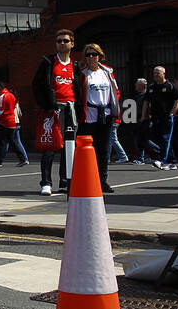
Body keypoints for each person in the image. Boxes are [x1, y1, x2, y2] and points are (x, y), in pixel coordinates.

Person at [32, 29, 78, 196]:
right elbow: (36, 85)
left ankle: (65, 181)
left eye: (65, 41)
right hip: (53, 110)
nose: (62, 43)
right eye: (59, 41)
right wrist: (47, 105)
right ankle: (46, 182)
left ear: (72, 43)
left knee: (69, 147)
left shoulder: (75, 66)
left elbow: (78, 89)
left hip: (69, 109)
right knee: (49, 147)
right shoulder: (48, 62)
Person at [75, 44, 120, 193]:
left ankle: (102, 180)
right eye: (88, 54)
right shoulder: (83, 74)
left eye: (94, 54)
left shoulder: (107, 72)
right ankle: (86, 179)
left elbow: (115, 92)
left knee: (105, 150)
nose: (91, 57)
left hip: (105, 115)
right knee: (86, 150)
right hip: (89, 116)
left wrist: (115, 111)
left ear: (100, 55)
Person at [142, 66, 178, 170]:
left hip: (167, 116)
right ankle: (172, 161)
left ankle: (162, 160)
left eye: (158, 73)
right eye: (154, 73)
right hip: (155, 116)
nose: (156, 75)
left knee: (165, 137)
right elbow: (146, 102)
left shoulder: (170, 86)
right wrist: (144, 116)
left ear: (164, 74)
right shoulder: (151, 87)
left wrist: (172, 113)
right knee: (159, 138)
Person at [0, 80, 28, 167]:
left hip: (4, 122)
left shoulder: (2, 96)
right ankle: (22, 158)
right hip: (12, 121)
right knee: (13, 141)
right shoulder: (11, 95)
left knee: (1, 142)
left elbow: (0, 111)